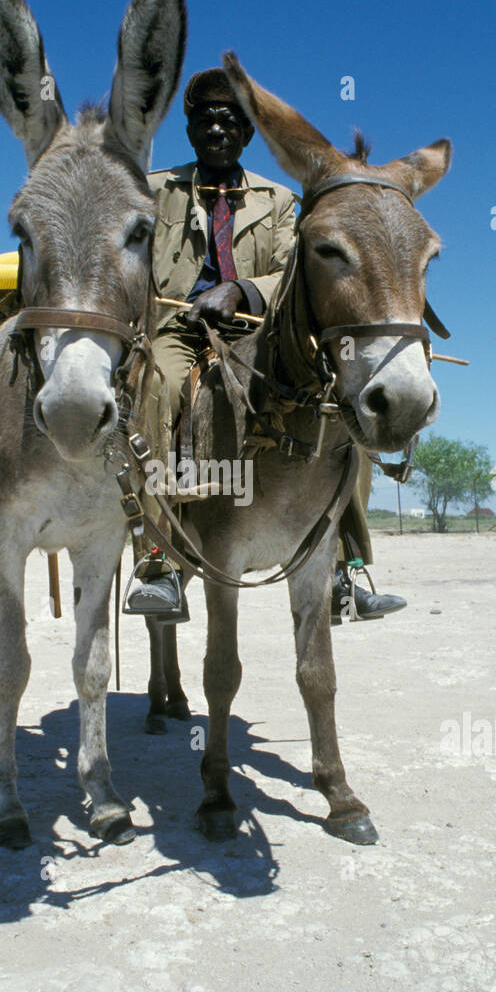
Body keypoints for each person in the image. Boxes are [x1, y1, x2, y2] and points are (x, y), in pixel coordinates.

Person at [125, 68, 405, 622]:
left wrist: (242, 289)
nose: (217, 129)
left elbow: (296, 271)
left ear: (249, 135)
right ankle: (158, 563)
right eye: (205, 119)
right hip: (178, 330)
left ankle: (346, 573)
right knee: (158, 384)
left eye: (230, 121)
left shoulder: (279, 201)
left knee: (341, 405)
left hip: (260, 329)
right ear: (190, 129)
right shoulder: (155, 192)